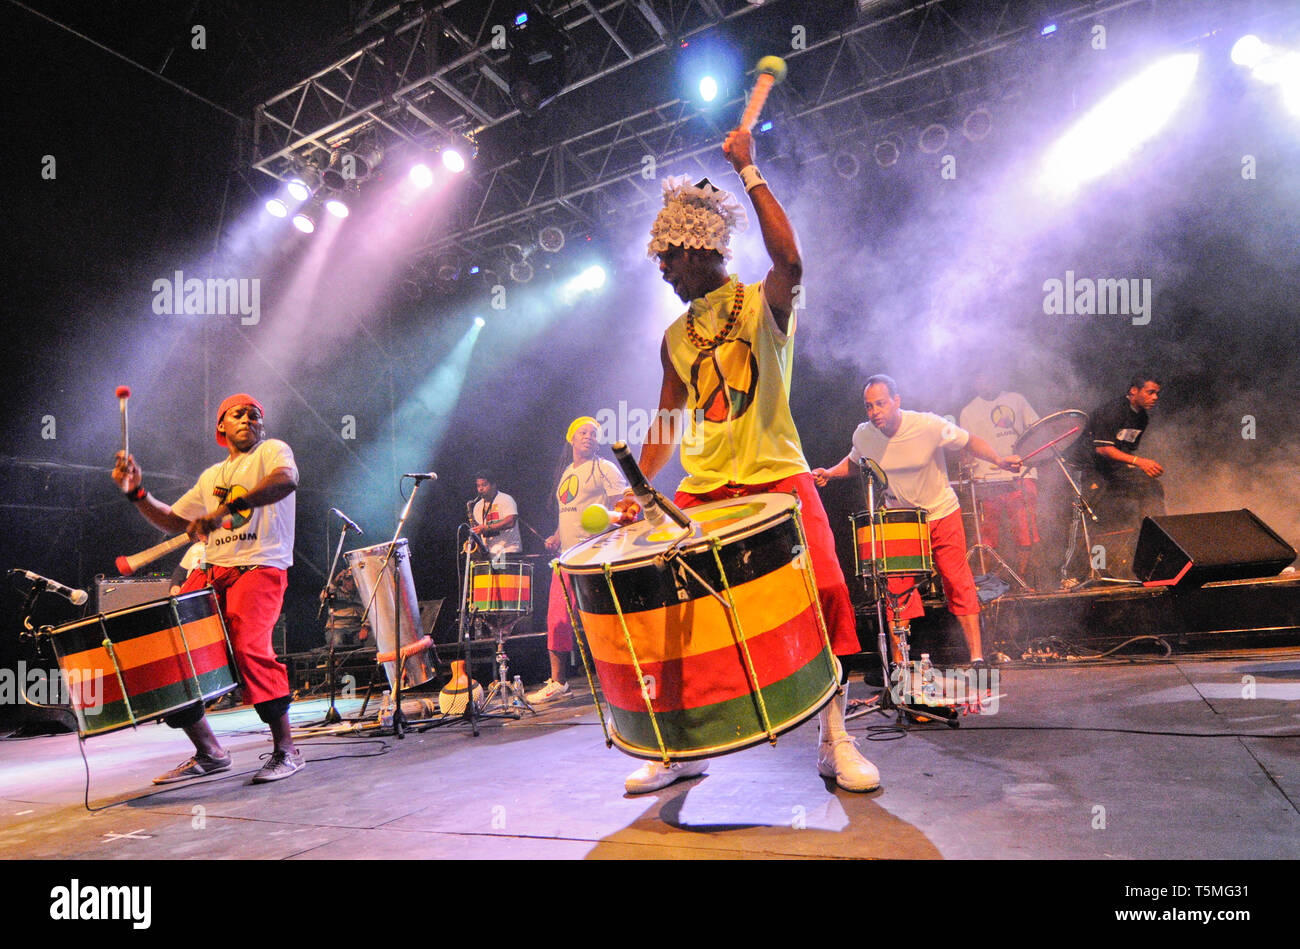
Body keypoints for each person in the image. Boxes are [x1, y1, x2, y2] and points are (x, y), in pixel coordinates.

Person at [627, 126, 878, 795]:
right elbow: (666, 420)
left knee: (825, 592)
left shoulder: (763, 303)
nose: (662, 270)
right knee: (675, 616)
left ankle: (834, 739)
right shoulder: (674, 337)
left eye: (667, 259)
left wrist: (750, 170)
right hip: (706, 492)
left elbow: (791, 260)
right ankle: (680, 748)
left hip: (778, 478)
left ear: (694, 247)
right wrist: (642, 486)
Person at [111, 393, 304, 784]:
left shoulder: (272, 452)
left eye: (255, 415)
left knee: (250, 648)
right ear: (221, 426)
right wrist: (137, 493)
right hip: (213, 570)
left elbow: (287, 480)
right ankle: (210, 751)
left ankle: (288, 749)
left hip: (260, 567)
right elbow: (173, 522)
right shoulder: (210, 477)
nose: (249, 419)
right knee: (172, 651)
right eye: (239, 414)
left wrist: (225, 510)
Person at [814, 375, 1022, 667]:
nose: (875, 412)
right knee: (897, 589)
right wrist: (829, 472)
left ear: (897, 401)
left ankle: (977, 656)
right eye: (869, 406)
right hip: (901, 522)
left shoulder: (927, 425)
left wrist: (999, 460)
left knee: (957, 581)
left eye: (881, 404)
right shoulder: (864, 434)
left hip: (941, 513)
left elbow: (968, 440)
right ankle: (901, 664)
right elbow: (855, 461)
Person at [527, 416, 634, 705]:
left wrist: (608, 520)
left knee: (605, 619)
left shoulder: (605, 468)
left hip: (596, 554)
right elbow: (570, 514)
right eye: (583, 432)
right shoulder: (566, 473)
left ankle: (627, 674)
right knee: (558, 620)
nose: (589, 437)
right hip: (566, 558)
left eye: (593, 433)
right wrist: (556, 536)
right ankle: (558, 683)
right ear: (571, 438)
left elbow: (624, 509)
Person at [958, 370, 1041, 585]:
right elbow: (965, 447)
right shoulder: (968, 411)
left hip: (1020, 475)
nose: (986, 381)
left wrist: (1029, 457)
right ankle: (988, 584)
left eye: (991, 376)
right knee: (986, 535)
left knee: (1025, 529)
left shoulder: (1016, 400)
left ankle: (1022, 579)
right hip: (986, 479)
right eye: (981, 377)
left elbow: (1037, 430)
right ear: (975, 381)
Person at [1066, 373, 1165, 530]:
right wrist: (1139, 462)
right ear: (1134, 390)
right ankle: (1087, 549)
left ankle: (1153, 536)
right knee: (1092, 515)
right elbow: (1103, 449)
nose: (1155, 398)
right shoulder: (1113, 410)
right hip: (1087, 469)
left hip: (1111, 469)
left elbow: (1125, 449)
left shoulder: (1142, 418)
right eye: (1150, 392)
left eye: (1157, 394)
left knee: (1150, 486)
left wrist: (1135, 467)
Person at [468, 473, 522, 562]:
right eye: (478, 486)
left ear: (493, 485)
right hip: (489, 554)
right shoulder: (477, 506)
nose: (480, 489)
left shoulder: (506, 499)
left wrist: (487, 528)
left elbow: (511, 522)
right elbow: (479, 530)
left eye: (484, 485)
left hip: (508, 551)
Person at [320, 567, 370, 648]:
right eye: (348, 580)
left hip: (356, 627)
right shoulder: (335, 591)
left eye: (354, 579)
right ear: (343, 580)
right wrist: (335, 581)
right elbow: (323, 598)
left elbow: (371, 611)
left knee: (373, 639)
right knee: (336, 640)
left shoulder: (362, 594)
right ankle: (337, 660)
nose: (351, 582)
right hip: (337, 627)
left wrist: (366, 627)